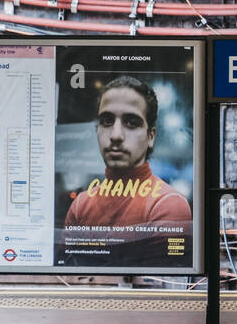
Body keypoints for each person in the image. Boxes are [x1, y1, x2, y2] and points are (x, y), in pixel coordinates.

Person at [64, 75, 191, 227]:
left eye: (131, 123)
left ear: (151, 136)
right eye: (107, 121)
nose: (116, 135)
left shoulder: (168, 203)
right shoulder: (81, 205)